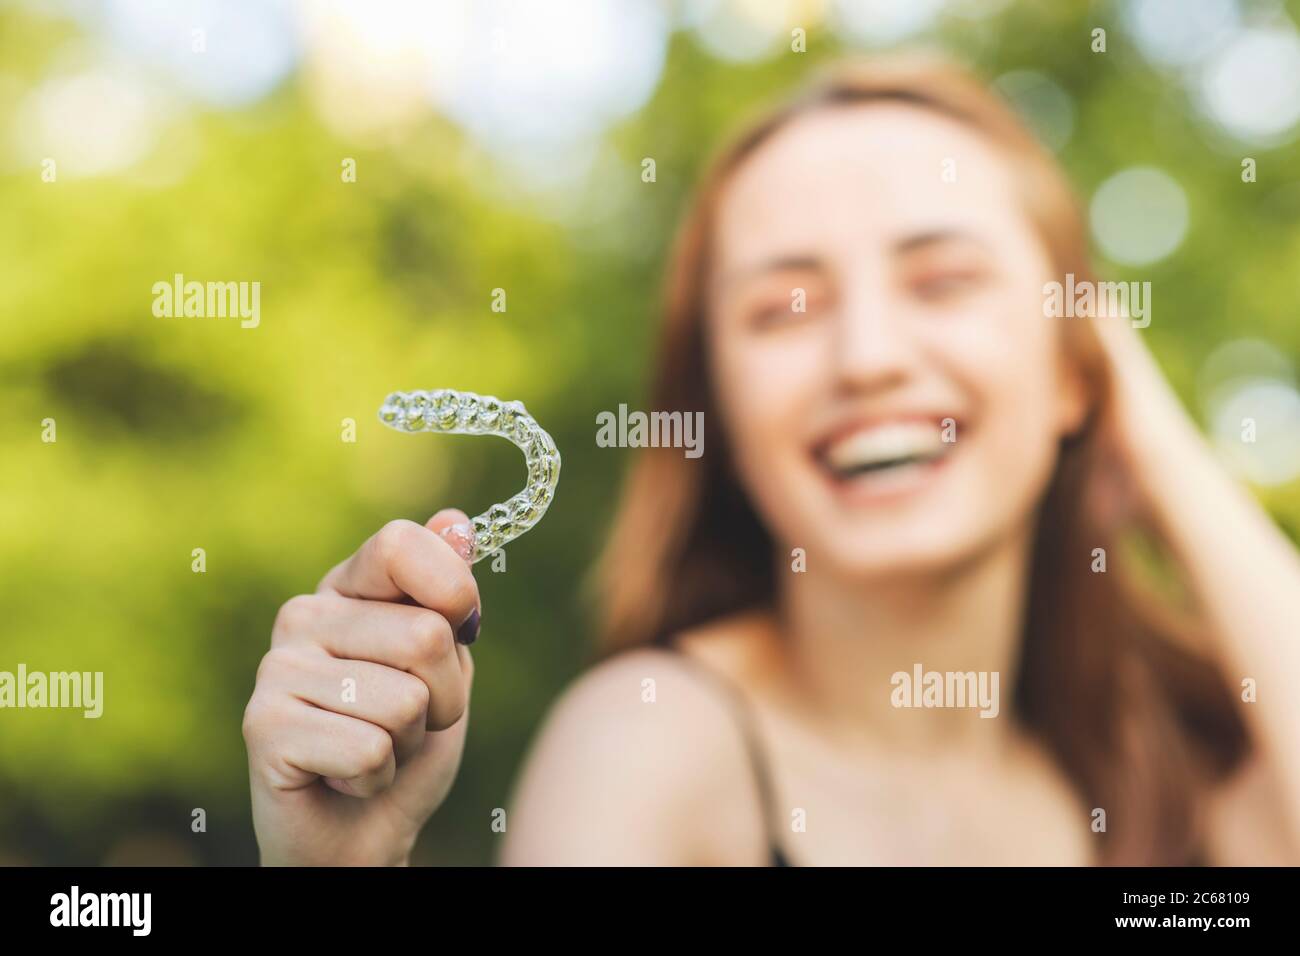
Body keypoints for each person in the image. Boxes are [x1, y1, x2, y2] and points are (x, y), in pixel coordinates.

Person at [242, 57, 1300, 866]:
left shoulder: (1177, 765)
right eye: (782, 307)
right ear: (722, 407)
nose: (868, 357)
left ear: (1076, 366)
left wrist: (1142, 421)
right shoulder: (654, 742)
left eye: (942, 280)